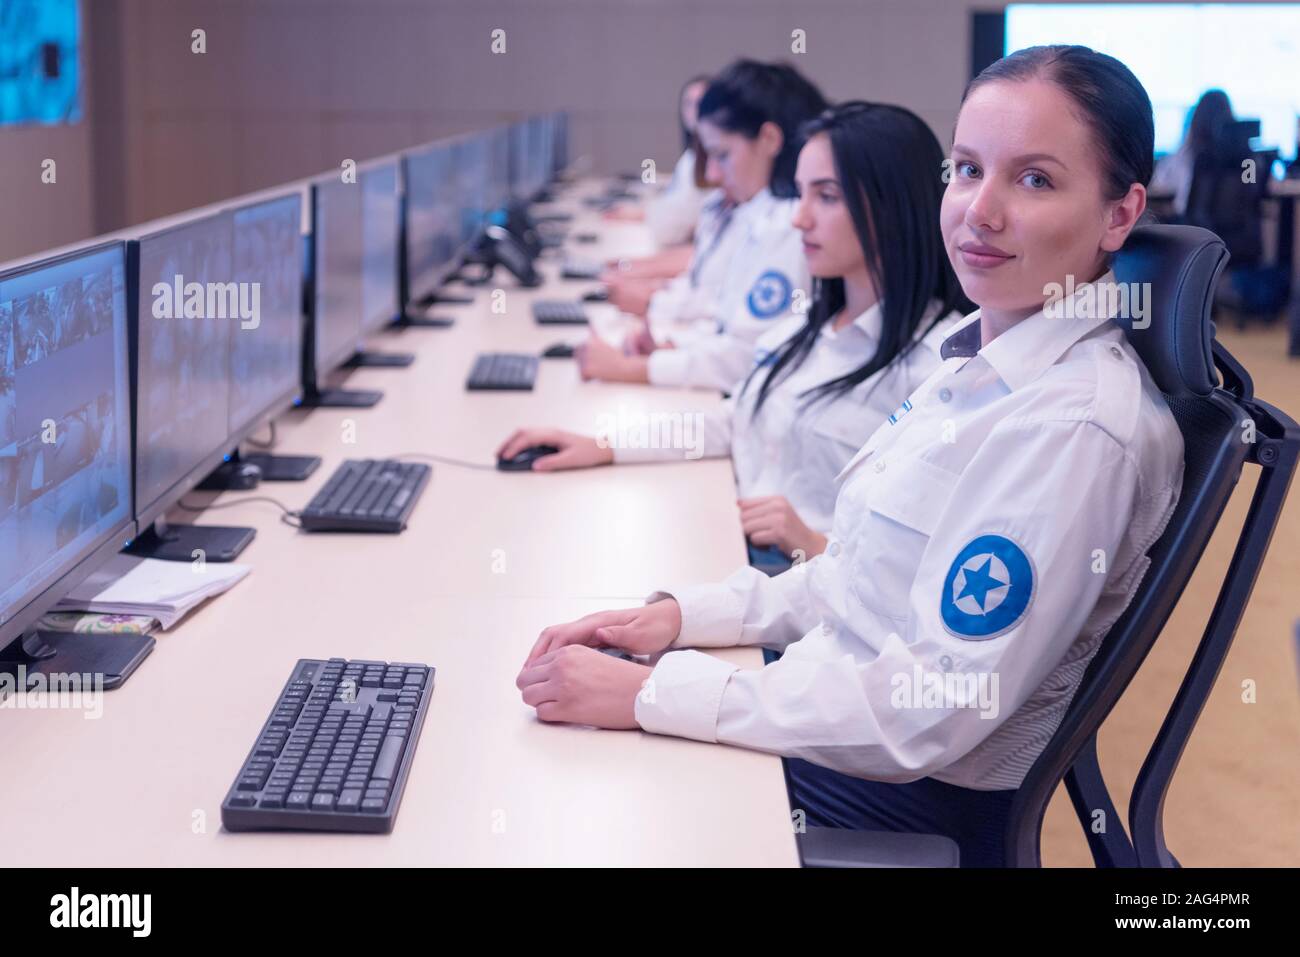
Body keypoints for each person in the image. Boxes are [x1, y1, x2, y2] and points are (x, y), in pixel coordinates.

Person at [515, 45, 1184, 867]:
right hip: (837, 723)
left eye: (1035, 180)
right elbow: (853, 576)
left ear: (1120, 214)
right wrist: (681, 617)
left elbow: (929, 709)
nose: (981, 209)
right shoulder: (978, 365)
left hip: (907, 798)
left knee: (570, 799)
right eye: (968, 169)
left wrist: (658, 692)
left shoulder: (1073, 427)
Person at [499, 102, 969, 564]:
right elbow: (735, 423)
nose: (798, 218)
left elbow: (919, 572)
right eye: (801, 193)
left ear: (893, 206)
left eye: (826, 197)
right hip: (738, 555)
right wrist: (602, 445)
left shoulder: (936, 370)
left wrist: (813, 543)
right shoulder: (808, 330)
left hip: (801, 598)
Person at [578, 59, 827, 391]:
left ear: (768, 139)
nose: (711, 174)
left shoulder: (786, 226)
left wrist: (634, 367)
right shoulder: (762, 216)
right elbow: (730, 324)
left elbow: (747, 357)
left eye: (723, 155)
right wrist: (672, 351)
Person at [1150, 89, 1235, 218]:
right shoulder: (1245, 160)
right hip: (1234, 230)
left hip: (1194, 230)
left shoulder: (1187, 157)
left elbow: (1165, 191)